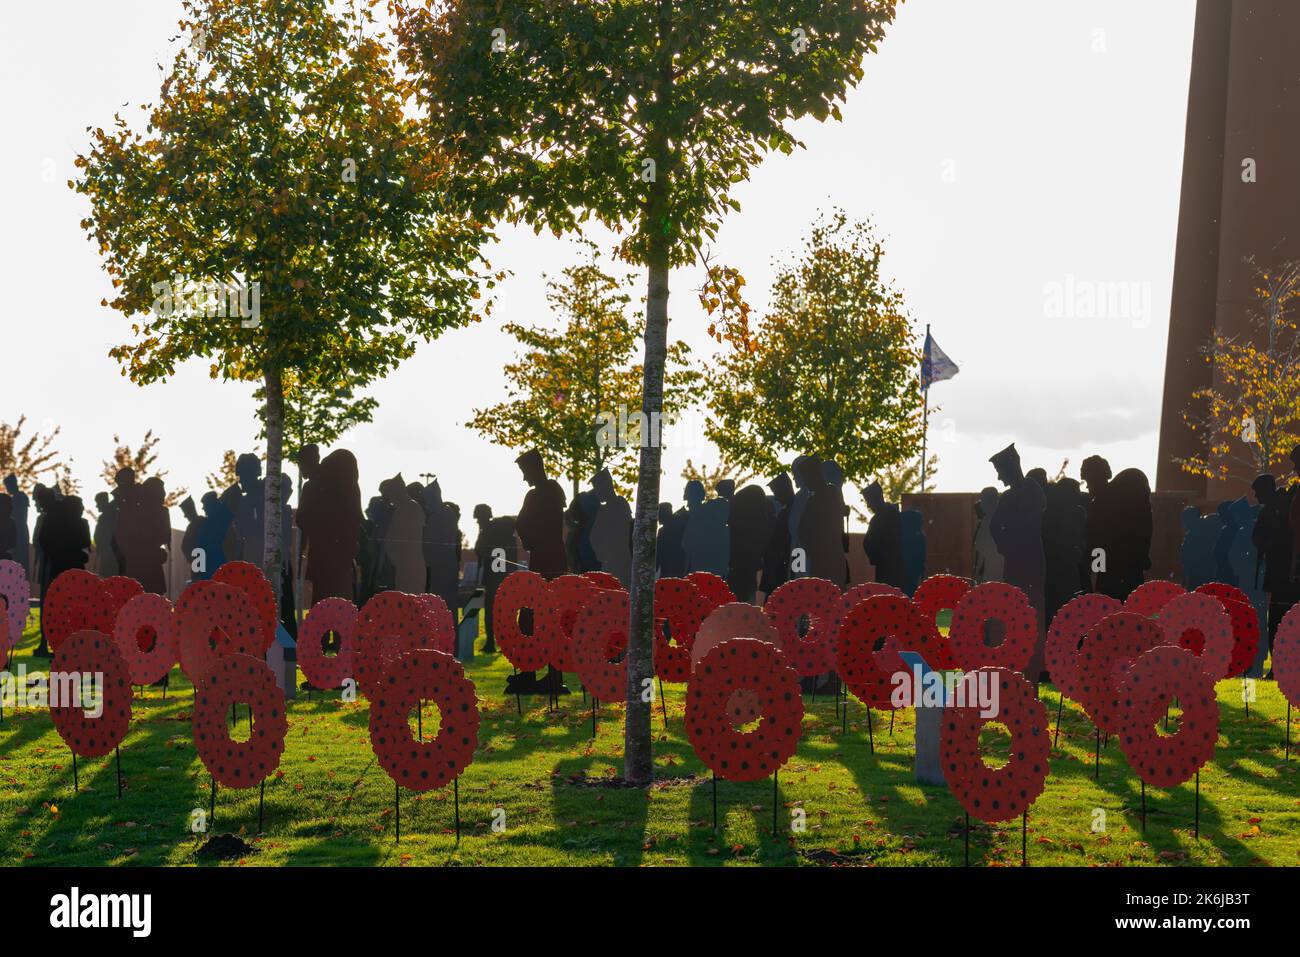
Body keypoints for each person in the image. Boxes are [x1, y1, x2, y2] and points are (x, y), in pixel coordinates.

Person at [511, 450, 567, 695]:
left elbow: (522, 523)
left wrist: (530, 539)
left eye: (525, 473)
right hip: (552, 558)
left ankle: (536, 672)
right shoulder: (554, 492)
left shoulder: (538, 495)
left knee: (534, 617)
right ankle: (547, 673)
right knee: (540, 616)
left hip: (545, 561)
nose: (524, 479)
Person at [989, 444, 1047, 679]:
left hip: (1029, 563)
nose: (999, 476)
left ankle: (1029, 666)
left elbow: (1029, 524)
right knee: (1016, 614)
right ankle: (1017, 664)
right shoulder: (1016, 495)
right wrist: (1007, 547)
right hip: (1021, 562)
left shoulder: (1028, 492)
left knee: (1029, 614)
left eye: (1001, 470)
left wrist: (1009, 545)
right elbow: (995, 527)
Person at [473, 504, 517, 654]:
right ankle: (508, 642)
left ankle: (491, 642)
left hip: (493, 577)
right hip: (506, 576)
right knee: (505, 611)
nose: (478, 522)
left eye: (478, 519)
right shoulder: (502, 532)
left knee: (491, 611)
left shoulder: (487, 532)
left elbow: (479, 550)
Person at [588, 468, 632, 587]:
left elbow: (594, 536)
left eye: (597, 489)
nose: (596, 493)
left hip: (617, 560)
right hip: (615, 559)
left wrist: (604, 553)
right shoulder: (618, 505)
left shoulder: (610, 508)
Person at [681, 480, 729, 577]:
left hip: (704, 570)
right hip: (702, 571)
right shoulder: (693, 517)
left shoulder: (704, 516)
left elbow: (688, 546)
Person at [862, 480, 904, 589]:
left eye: (869, 501)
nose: (868, 505)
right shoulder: (892, 514)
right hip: (889, 566)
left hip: (887, 568)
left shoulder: (881, 518)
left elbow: (872, 542)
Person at [759, 473, 795, 598]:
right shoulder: (786, 512)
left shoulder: (789, 513)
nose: (776, 497)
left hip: (783, 569)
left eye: (777, 493)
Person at [973, 487, 1004, 584]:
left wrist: (976, 571)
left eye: (983, 501)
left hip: (990, 569)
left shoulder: (987, 522)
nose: (980, 505)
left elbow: (981, 549)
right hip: (1002, 570)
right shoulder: (1004, 519)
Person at [655, 502, 688, 579]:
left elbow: (659, 552)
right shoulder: (681, 523)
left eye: (659, 515)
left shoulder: (663, 531)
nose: (657, 518)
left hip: (670, 568)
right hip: (680, 567)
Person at [4, 475, 29, 573]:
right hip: (18, 532)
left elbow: (18, 515)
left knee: (20, 563)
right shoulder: (18, 497)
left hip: (20, 533)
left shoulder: (19, 497)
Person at [93, 490, 120, 577]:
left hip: (110, 554)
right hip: (111, 553)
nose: (97, 506)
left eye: (98, 503)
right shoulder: (113, 514)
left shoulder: (104, 517)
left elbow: (98, 537)